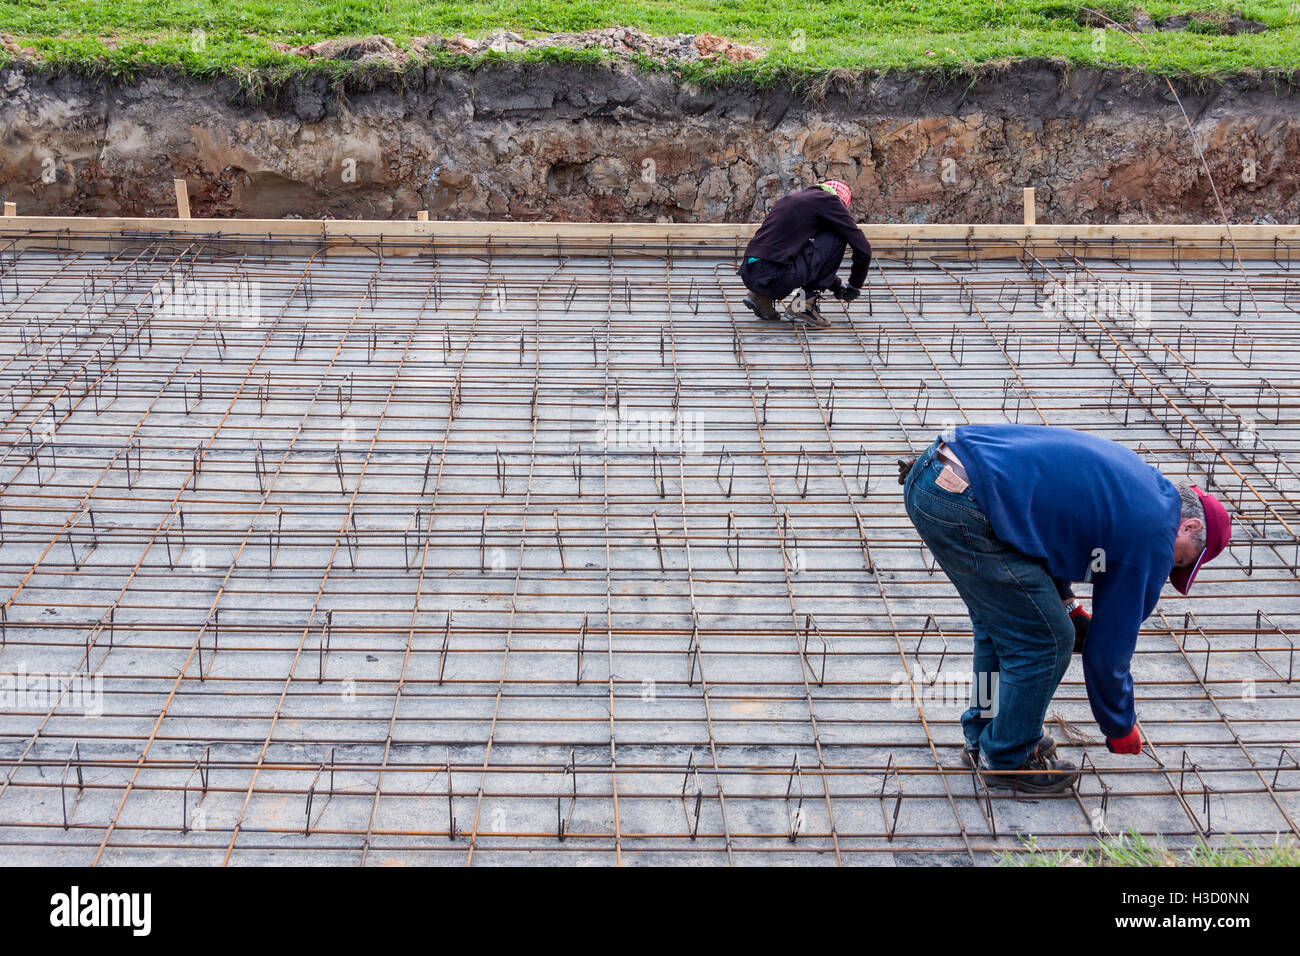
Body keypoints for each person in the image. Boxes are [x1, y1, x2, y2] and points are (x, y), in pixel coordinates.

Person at [900, 425, 1231, 794]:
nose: (1168, 569)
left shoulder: (1144, 492)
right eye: (1180, 560)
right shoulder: (1154, 535)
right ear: (1190, 525)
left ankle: (991, 731)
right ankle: (1007, 755)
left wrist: (1067, 602)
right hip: (967, 503)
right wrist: (1119, 726)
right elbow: (1109, 651)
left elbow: (1048, 530)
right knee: (1047, 640)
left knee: (1001, 627)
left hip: (935, 476)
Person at [737, 180, 872, 330]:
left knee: (800, 246)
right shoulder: (830, 201)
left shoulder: (791, 200)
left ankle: (760, 297)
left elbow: (800, 256)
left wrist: (837, 285)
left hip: (751, 273)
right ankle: (802, 306)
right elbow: (863, 248)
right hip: (775, 276)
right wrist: (855, 285)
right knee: (838, 235)